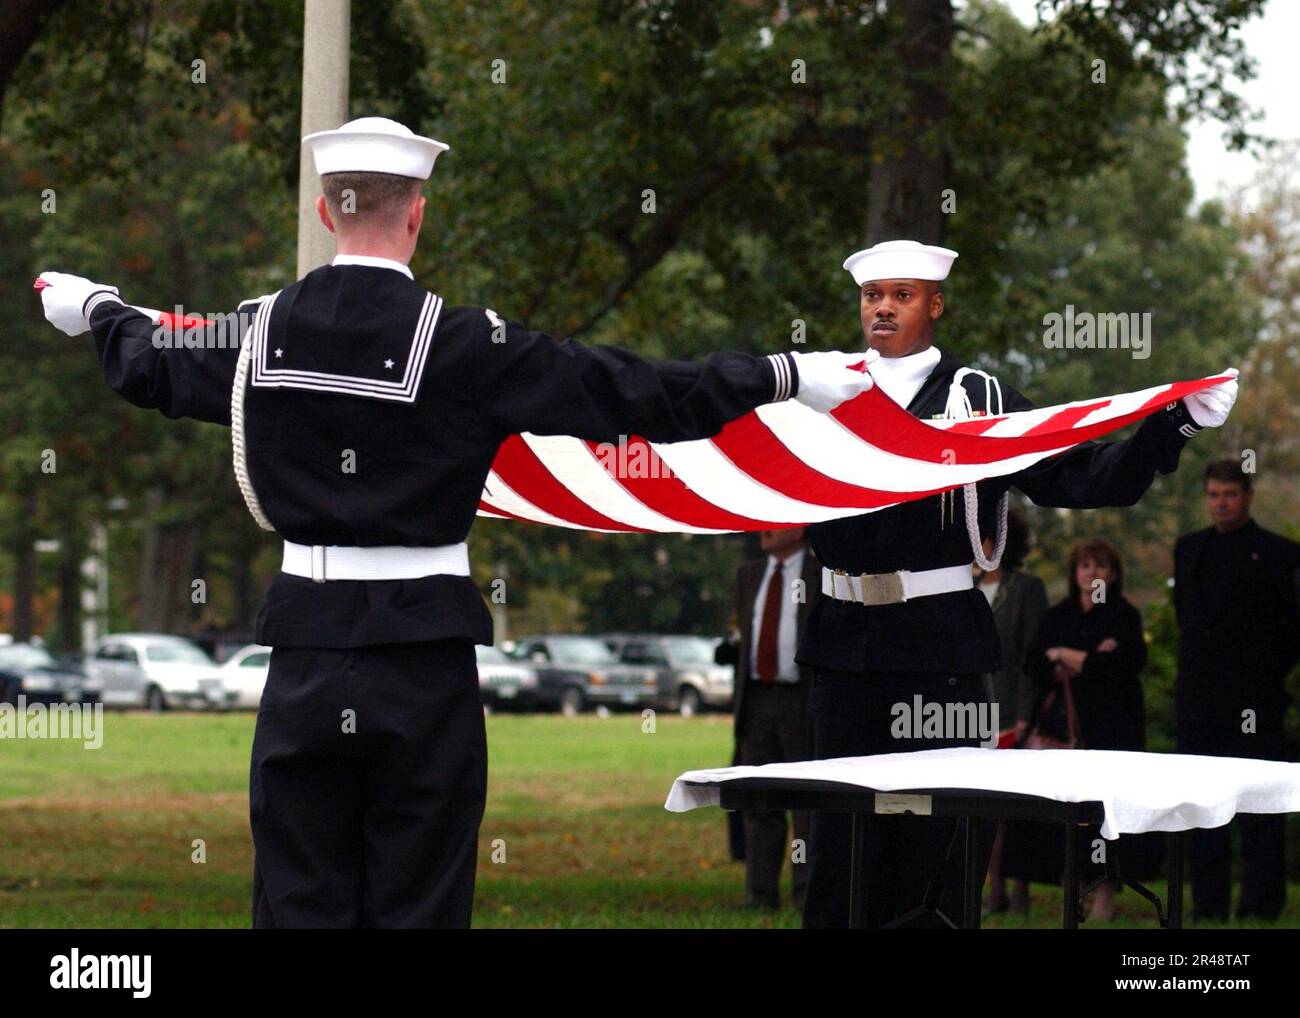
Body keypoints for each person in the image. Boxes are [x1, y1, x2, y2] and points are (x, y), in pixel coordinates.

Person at [37, 116, 879, 928]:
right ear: (418, 212)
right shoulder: (472, 343)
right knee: (421, 894)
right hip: (423, 659)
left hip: (304, 656)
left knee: (299, 895)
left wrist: (94, 308)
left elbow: (149, 357)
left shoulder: (256, 332)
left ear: (327, 211)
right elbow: (636, 393)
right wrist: (784, 374)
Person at [797, 239, 1240, 930]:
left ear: (935, 304)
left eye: (902, 295)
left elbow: (1083, 475)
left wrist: (1174, 424)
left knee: (937, 838)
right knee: (838, 839)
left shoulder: (980, 399)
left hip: (937, 650)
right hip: (841, 648)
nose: (882, 308)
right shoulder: (825, 393)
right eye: (871, 295)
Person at [1174, 460, 1300, 922]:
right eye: (1213, 495)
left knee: (1258, 806)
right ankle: (1208, 905)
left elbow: (1291, 630)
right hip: (1199, 703)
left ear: (1247, 495)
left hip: (1255, 701)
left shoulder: (1281, 554)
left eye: (1229, 494)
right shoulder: (1188, 550)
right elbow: (1187, 620)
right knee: (1204, 808)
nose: (1221, 503)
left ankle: (1261, 904)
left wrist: (1263, 679)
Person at [1019, 537, 1151, 921]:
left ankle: (1106, 893)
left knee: (1105, 812)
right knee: (1068, 811)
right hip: (1064, 732)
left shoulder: (1123, 616)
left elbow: (1122, 668)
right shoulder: (1058, 615)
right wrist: (1081, 658)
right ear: (1074, 572)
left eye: (1101, 565)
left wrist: (1065, 656)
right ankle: (1074, 889)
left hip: (1112, 731)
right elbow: (1035, 663)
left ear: (1114, 574)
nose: (1092, 572)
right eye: (1085, 565)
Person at [725, 527, 821, 911]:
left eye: (776, 521)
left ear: (800, 528)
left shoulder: (820, 574)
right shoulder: (748, 575)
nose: (765, 528)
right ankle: (760, 895)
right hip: (756, 701)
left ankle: (805, 895)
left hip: (802, 701)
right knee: (758, 800)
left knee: (806, 805)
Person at [974, 506, 1047, 914]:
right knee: (982, 809)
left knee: (1016, 809)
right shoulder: (962, 587)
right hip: (967, 717)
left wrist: (1025, 714)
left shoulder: (1026, 588)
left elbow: (1031, 659)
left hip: (1012, 714)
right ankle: (991, 889)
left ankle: (1019, 889)